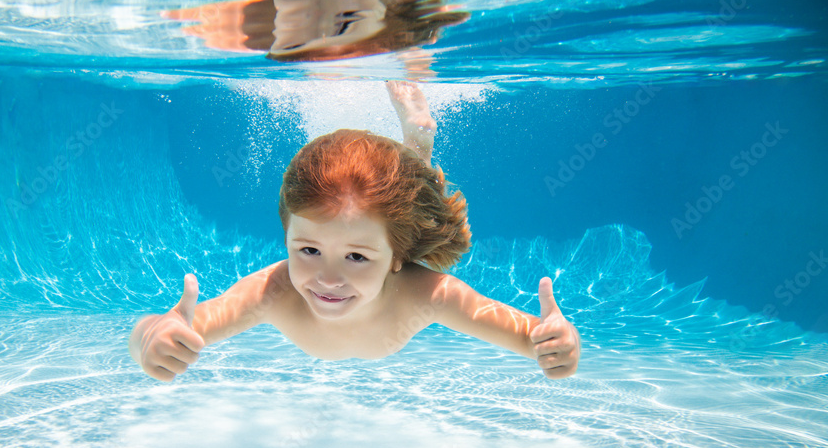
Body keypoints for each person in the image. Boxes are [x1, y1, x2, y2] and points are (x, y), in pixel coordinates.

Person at [129, 81, 581, 382]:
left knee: (406, 201)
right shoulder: (273, 290)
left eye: (357, 257)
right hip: (387, 228)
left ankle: (417, 147)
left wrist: (557, 343)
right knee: (392, 203)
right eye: (307, 249)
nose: (326, 278)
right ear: (285, 234)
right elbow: (182, 325)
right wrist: (152, 334)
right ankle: (414, 151)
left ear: (397, 258)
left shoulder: (427, 294)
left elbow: (530, 336)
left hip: (398, 231)